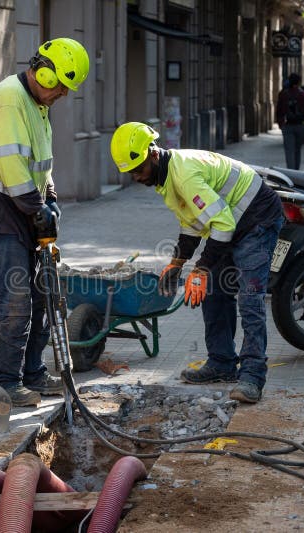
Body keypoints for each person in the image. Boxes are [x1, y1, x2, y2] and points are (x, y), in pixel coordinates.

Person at [109, 122, 284, 404]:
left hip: (256, 219)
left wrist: (201, 268)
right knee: (214, 292)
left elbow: (222, 223)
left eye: (138, 170)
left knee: (249, 299)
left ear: (153, 155)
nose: (136, 178)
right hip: (230, 223)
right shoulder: (166, 179)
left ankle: (252, 376)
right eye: (130, 173)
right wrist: (177, 263)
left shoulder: (184, 175)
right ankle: (222, 362)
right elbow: (192, 223)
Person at [0, 38, 90, 407]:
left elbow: (40, 163)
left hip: (22, 209)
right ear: (45, 72)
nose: (63, 95)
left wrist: (50, 199)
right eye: (62, 87)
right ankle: (3, 380)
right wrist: (38, 210)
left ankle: (32, 371)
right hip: (0, 212)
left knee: (41, 297)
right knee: (16, 299)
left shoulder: (37, 104)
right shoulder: (10, 100)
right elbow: (13, 166)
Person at [275, 72, 304, 169]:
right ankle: (296, 171)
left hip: (287, 125)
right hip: (300, 125)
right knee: (297, 150)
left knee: (289, 151)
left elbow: (279, 110)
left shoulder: (283, 94)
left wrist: (280, 124)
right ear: (299, 82)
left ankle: (291, 173)